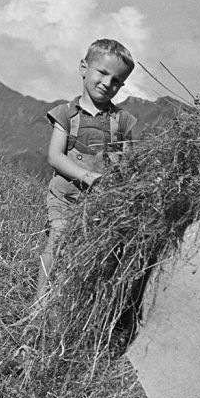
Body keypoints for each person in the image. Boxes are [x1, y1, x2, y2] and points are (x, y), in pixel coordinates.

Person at [34, 38, 138, 306]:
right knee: (56, 242)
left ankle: (73, 303)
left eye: (116, 80)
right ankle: (40, 303)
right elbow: (55, 156)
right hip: (65, 197)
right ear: (84, 67)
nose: (107, 83)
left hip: (100, 202)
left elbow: (127, 162)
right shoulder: (65, 114)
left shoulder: (122, 121)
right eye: (102, 73)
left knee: (93, 251)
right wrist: (89, 177)